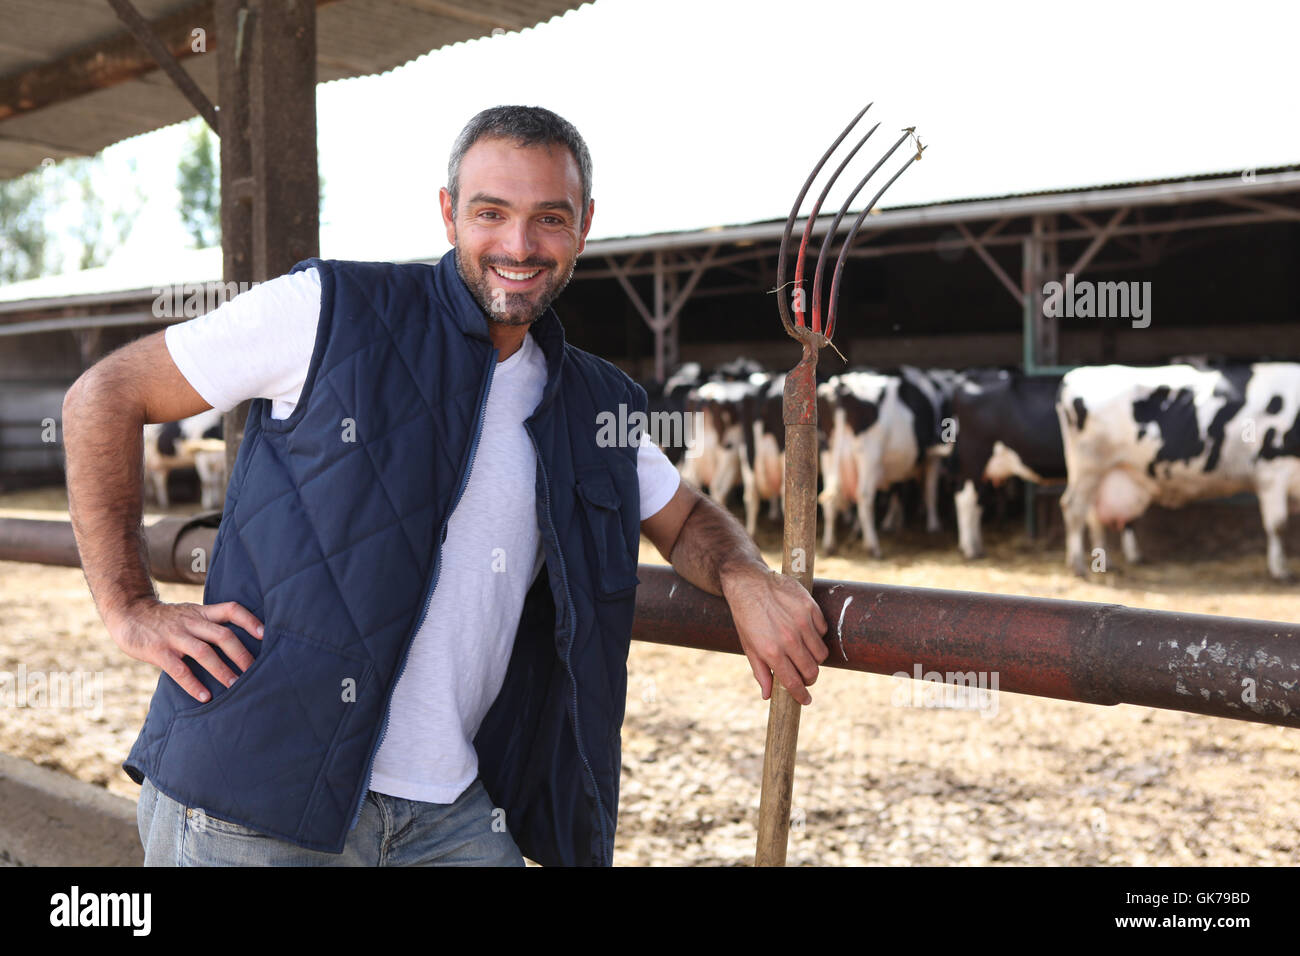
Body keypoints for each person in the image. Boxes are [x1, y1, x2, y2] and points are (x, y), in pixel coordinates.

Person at [61, 105, 829, 867]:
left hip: (454, 814)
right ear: (448, 213)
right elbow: (103, 397)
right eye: (490, 212)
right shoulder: (327, 311)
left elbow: (686, 517)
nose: (519, 246)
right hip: (256, 799)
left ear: (585, 225)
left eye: (549, 219)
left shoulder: (596, 402)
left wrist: (744, 575)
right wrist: (129, 607)